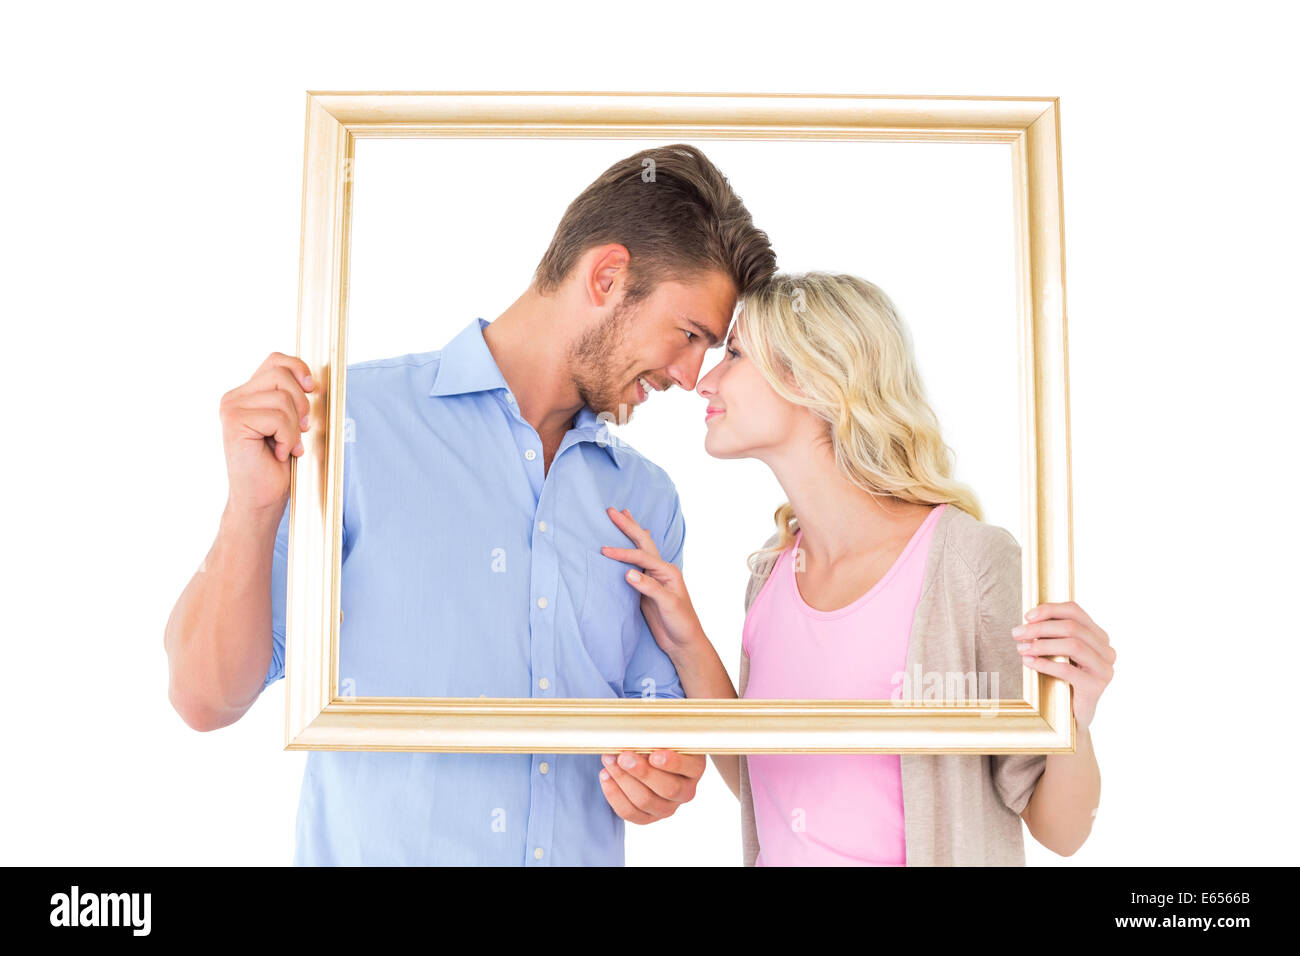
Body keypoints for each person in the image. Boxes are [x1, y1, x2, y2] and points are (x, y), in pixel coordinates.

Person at [163, 143, 777, 865]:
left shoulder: (647, 500)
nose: (688, 375)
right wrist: (250, 509)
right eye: (690, 336)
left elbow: (661, 734)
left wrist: (664, 776)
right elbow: (204, 698)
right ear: (608, 276)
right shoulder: (351, 427)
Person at [595, 271, 1115, 865]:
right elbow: (766, 787)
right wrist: (685, 634)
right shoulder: (772, 573)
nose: (704, 379)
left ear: (814, 377)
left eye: (735, 354)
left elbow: (1063, 831)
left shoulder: (968, 566)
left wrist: (1073, 720)